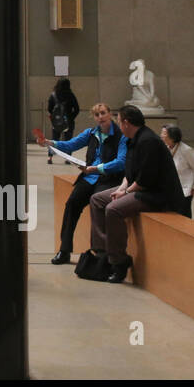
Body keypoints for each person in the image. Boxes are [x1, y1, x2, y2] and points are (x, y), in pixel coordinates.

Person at [86, 105, 184, 283]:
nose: (118, 125)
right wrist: (121, 188)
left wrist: (125, 192)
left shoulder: (149, 141)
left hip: (155, 194)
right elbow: (129, 174)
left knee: (113, 209)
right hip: (138, 188)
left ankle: (119, 261)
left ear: (126, 122)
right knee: (97, 199)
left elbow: (146, 179)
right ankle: (102, 253)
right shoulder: (132, 139)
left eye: (118, 121)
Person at [37, 102, 124, 265]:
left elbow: (121, 162)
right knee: (71, 204)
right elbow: (71, 144)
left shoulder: (120, 135)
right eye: (97, 115)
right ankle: (64, 250)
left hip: (108, 178)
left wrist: (97, 168)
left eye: (103, 113)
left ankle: (100, 253)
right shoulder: (91, 133)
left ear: (110, 114)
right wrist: (49, 143)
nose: (100, 117)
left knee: (97, 204)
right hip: (89, 177)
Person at [160, 124, 194, 218]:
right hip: (169, 189)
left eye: (164, 133)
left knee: (183, 218)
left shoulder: (186, 150)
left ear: (172, 137)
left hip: (184, 190)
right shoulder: (165, 148)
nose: (161, 135)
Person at [47, 78, 79, 149]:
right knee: (68, 140)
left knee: (54, 139)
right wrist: (71, 118)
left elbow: (49, 109)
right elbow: (77, 109)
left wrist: (54, 116)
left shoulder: (53, 95)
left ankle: (50, 156)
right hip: (68, 121)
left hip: (57, 121)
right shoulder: (71, 95)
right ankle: (67, 157)